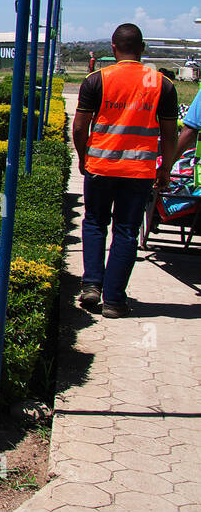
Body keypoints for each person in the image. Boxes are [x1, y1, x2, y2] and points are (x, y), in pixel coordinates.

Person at [72, 23, 177, 318]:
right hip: (139, 171)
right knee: (126, 232)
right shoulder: (162, 84)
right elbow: (170, 134)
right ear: (142, 49)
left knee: (94, 223)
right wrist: (165, 169)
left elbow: (80, 127)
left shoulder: (96, 80)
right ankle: (115, 301)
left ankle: (92, 285)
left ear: (113, 48)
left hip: (100, 167)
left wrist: (84, 157)